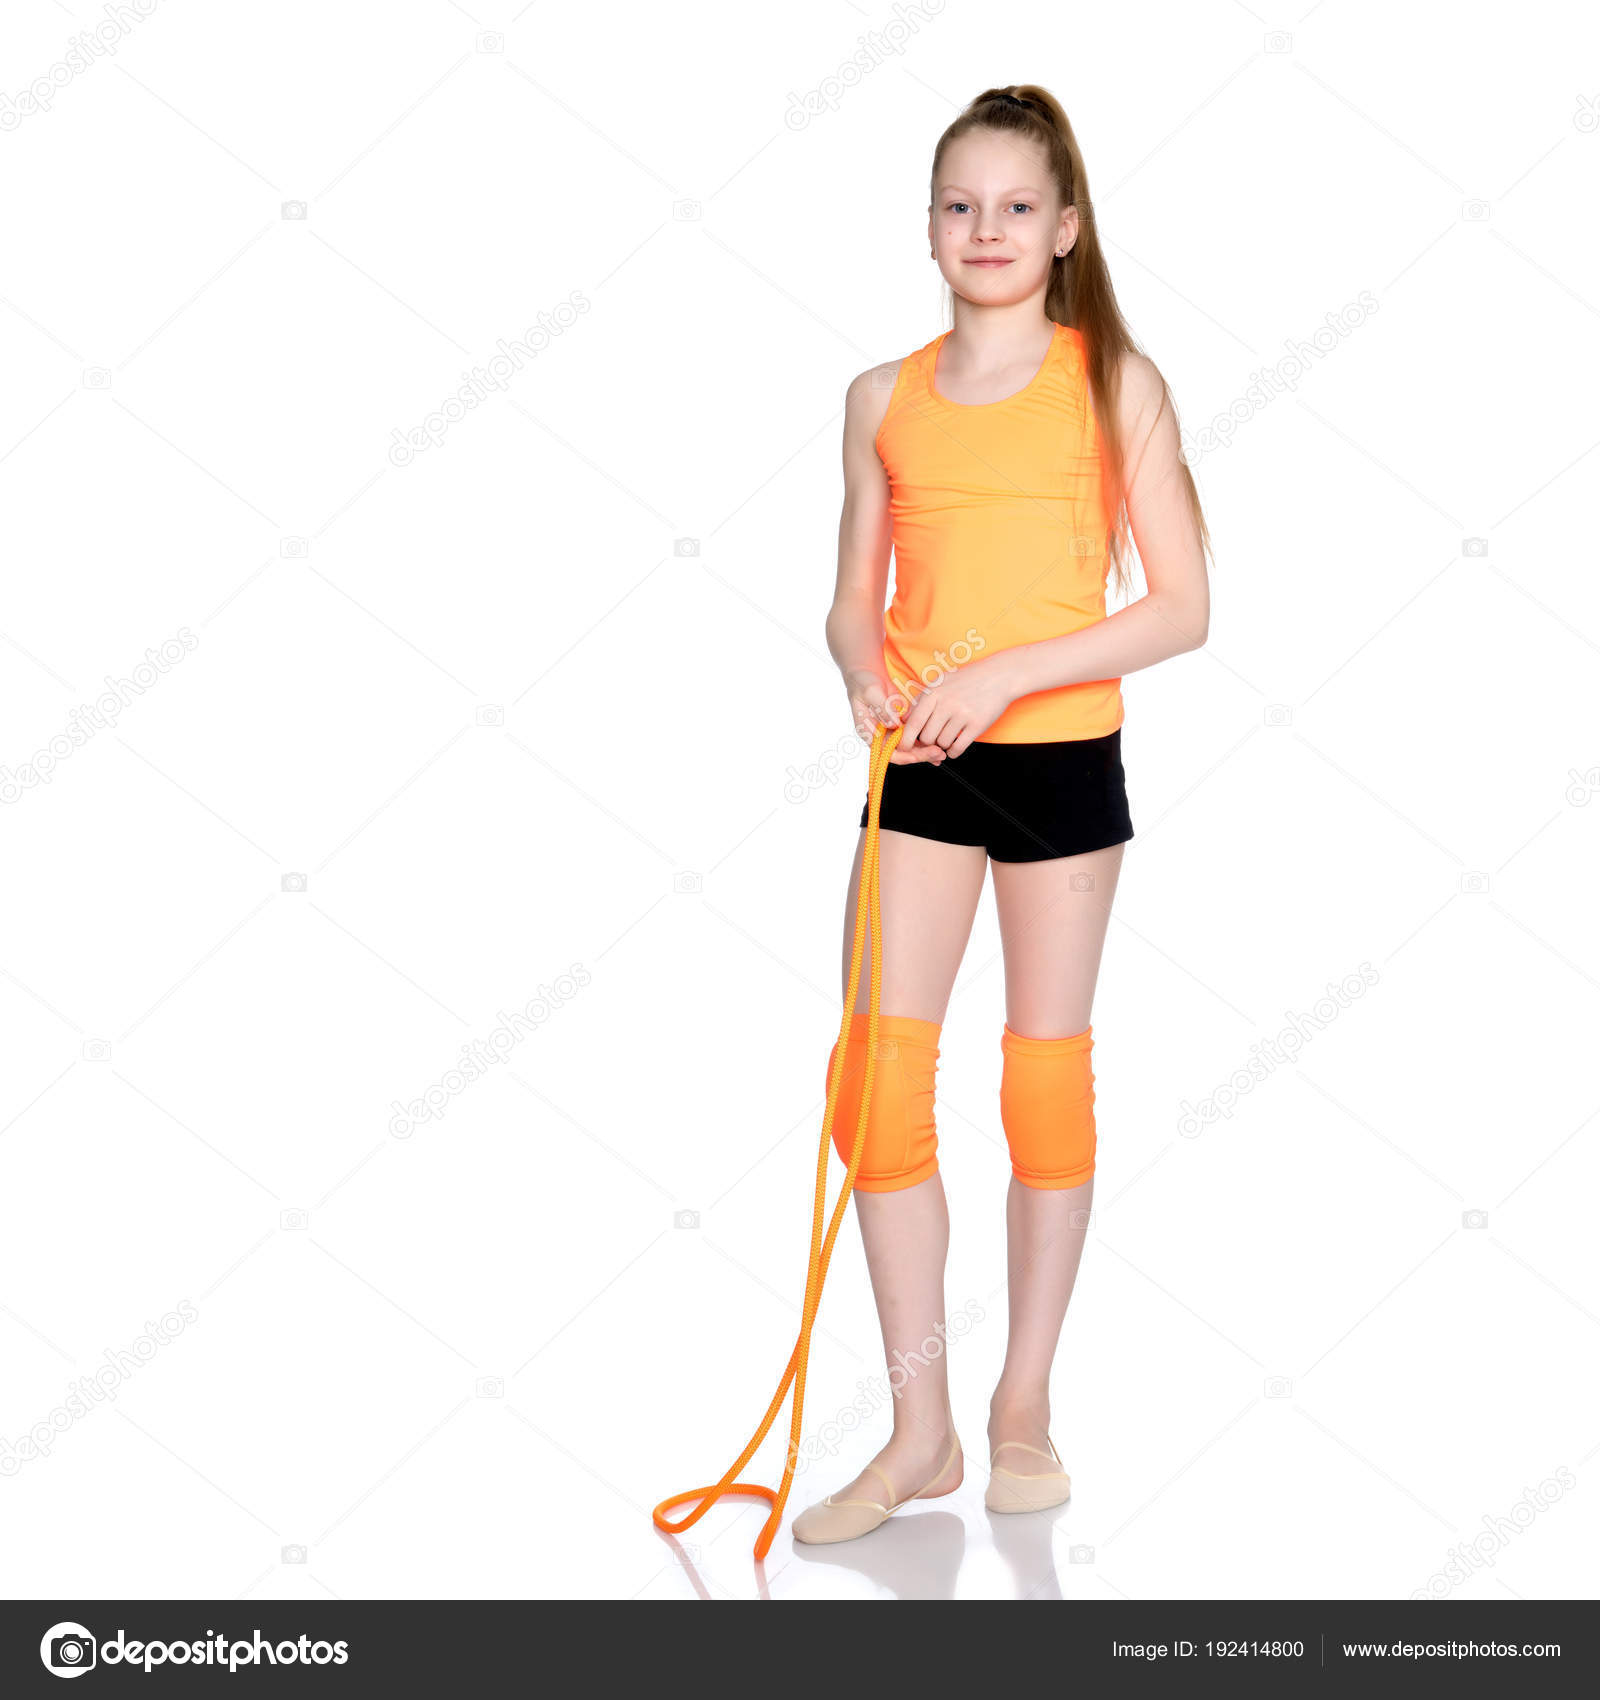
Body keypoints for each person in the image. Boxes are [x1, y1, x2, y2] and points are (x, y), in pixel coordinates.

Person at [796, 83, 1211, 1543]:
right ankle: (919, 1431)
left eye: (1017, 206)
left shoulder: (1116, 388)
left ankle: (1022, 1402)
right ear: (927, 229)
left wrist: (1016, 672)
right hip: (917, 765)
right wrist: (864, 669)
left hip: (1057, 766)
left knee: (1041, 1080)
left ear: (1065, 228)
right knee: (878, 1088)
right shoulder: (879, 399)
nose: (988, 229)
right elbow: (854, 602)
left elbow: (1183, 609)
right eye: (961, 205)